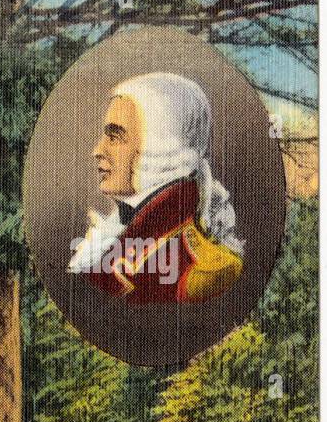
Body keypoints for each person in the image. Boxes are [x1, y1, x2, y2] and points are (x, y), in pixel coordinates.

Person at [67, 72, 243, 304]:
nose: (98, 150)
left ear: (160, 146)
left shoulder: (206, 266)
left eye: (115, 137)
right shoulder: (116, 227)